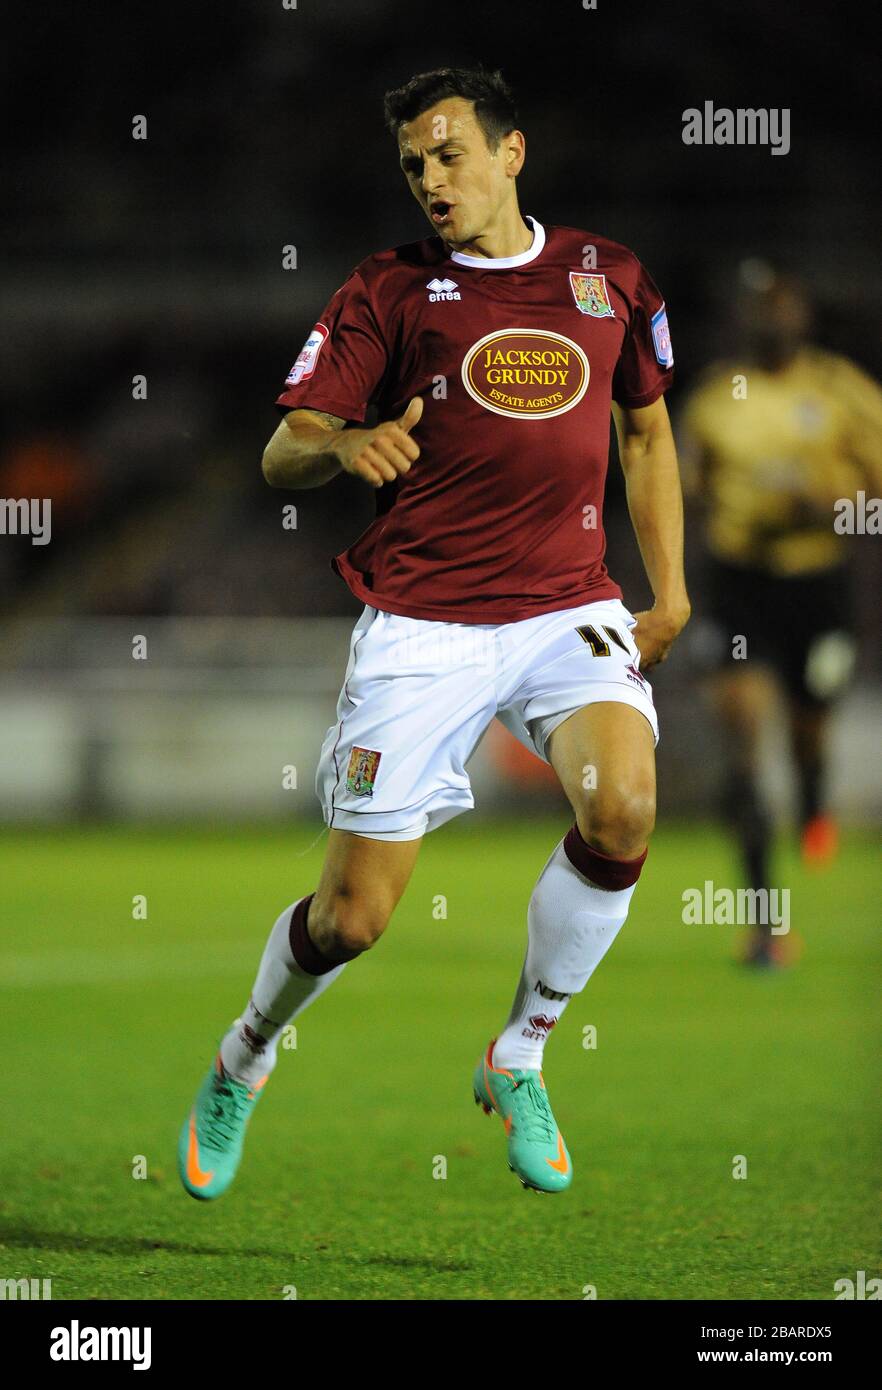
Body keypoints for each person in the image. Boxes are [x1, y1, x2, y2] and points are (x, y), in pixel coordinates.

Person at [178, 65, 690, 1198]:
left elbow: (647, 433)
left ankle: (523, 1048)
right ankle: (247, 1051)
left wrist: (672, 590)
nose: (431, 179)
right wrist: (345, 444)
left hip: (568, 603)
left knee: (627, 806)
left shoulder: (609, 279)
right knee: (352, 919)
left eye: (450, 153)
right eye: (414, 164)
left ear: (513, 153)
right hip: (423, 620)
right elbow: (286, 444)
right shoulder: (391, 290)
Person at [680, 266, 882, 964]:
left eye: (784, 309)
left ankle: (816, 801)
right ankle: (767, 925)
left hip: (817, 584)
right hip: (741, 587)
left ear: (803, 317)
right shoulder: (715, 400)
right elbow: (683, 489)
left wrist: (829, 505)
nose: (774, 322)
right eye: (761, 311)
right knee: (743, 737)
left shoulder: (840, 390)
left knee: (808, 735)